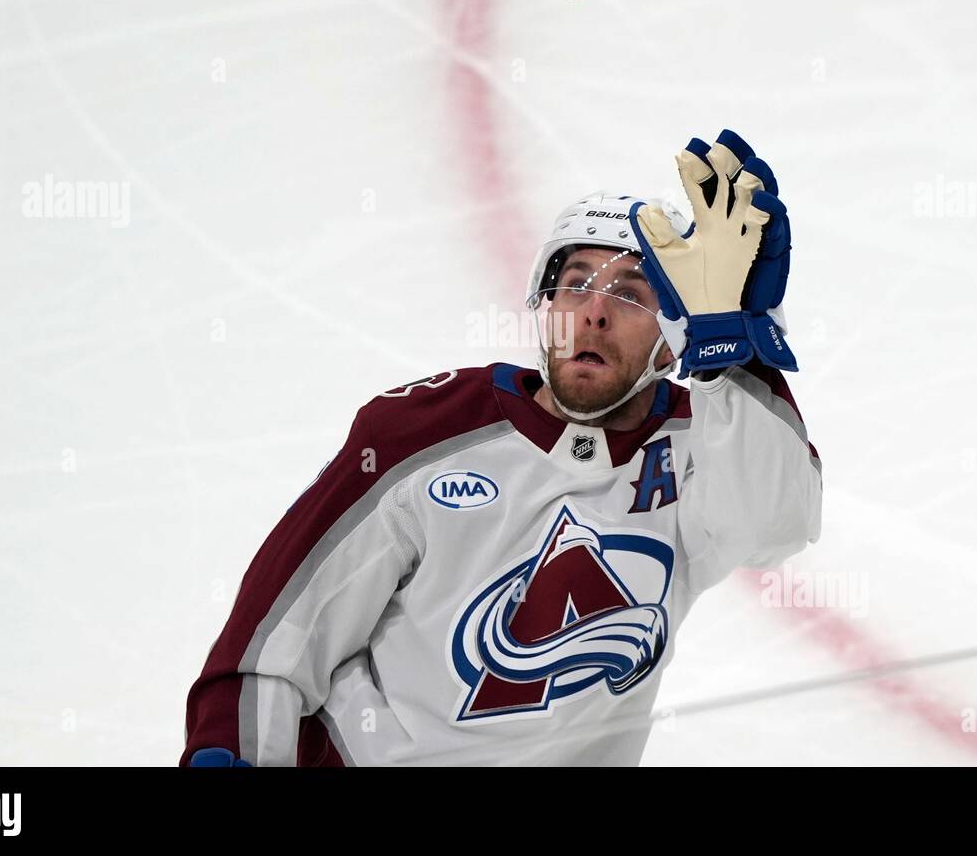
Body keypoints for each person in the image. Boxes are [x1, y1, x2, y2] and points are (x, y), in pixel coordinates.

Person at [180, 128, 823, 766]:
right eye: (576, 283)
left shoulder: (699, 446)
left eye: (630, 294)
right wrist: (229, 751)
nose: (593, 313)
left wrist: (737, 347)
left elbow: (776, 525)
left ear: (676, 328)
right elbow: (276, 642)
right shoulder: (421, 433)